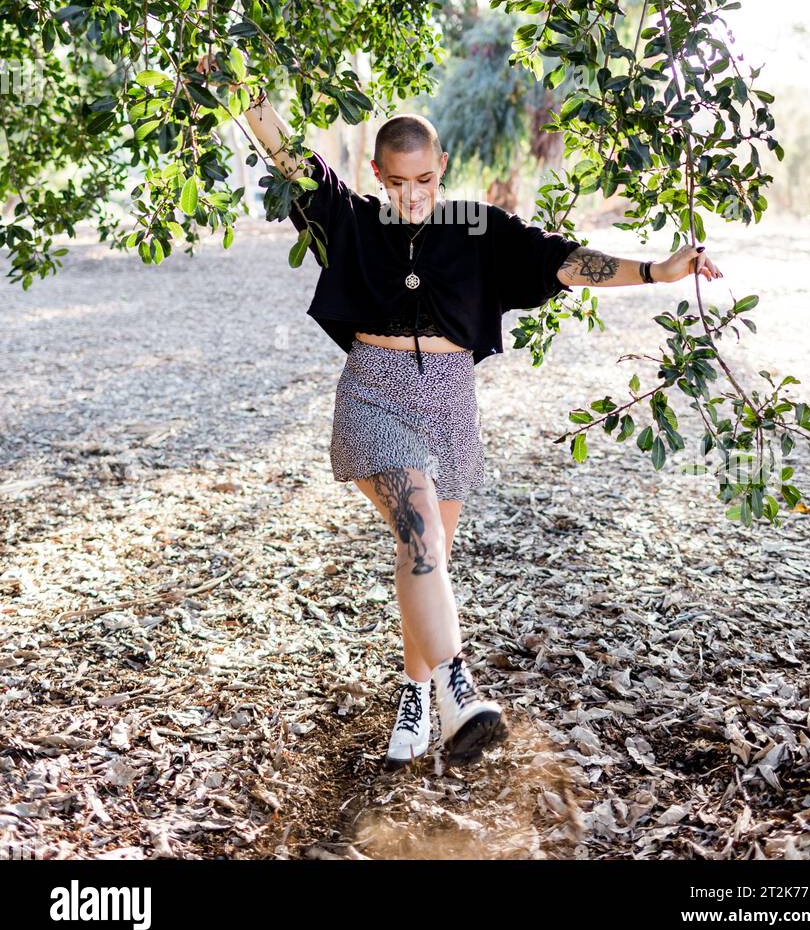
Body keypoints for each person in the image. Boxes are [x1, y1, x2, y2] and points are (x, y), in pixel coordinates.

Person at [200, 61, 722, 769]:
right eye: (396, 181)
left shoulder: (479, 228)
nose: (411, 195)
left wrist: (657, 271)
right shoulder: (350, 218)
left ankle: (417, 694)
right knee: (417, 532)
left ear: (441, 167)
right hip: (373, 391)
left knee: (429, 559)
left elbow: (562, 263)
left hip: (449, 398)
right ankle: (458, 687)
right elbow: (289, 156)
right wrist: (232, 81)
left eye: (425, 180)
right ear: (377, 173)